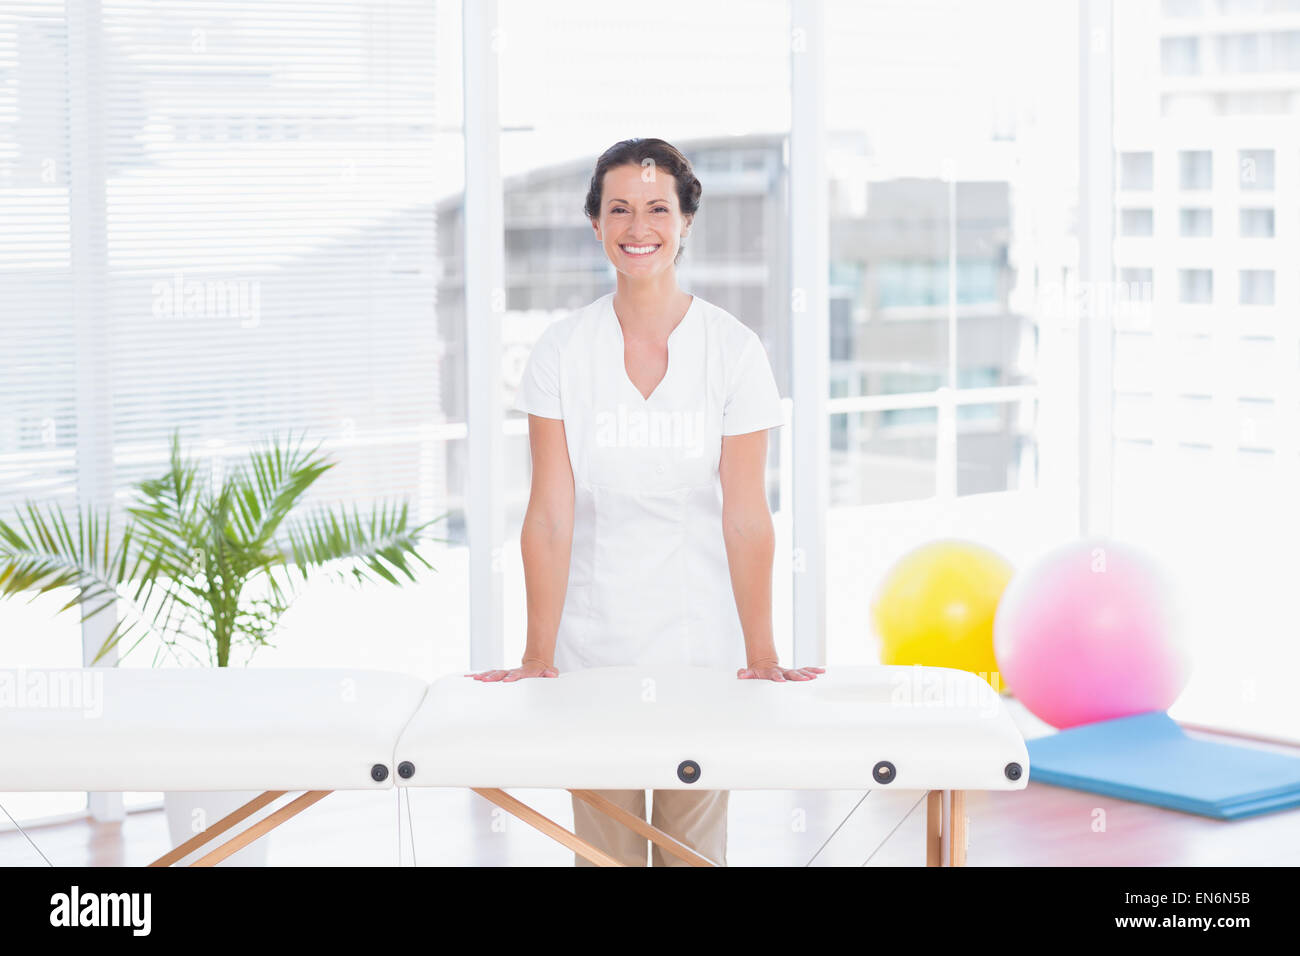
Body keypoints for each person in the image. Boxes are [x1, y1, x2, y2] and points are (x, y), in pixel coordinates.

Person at [469, 137, 823, 866]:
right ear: (595, 224)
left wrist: (762, 653)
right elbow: (550, 513)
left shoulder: (733, 349)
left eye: (658, 208)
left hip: (702, 647)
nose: (639, 227)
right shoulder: (562, 350)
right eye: (620, 209)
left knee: (692, 850)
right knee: (605, 852)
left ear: (686, 221)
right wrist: (537, 654)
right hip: (593, 646)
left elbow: (746, 512)